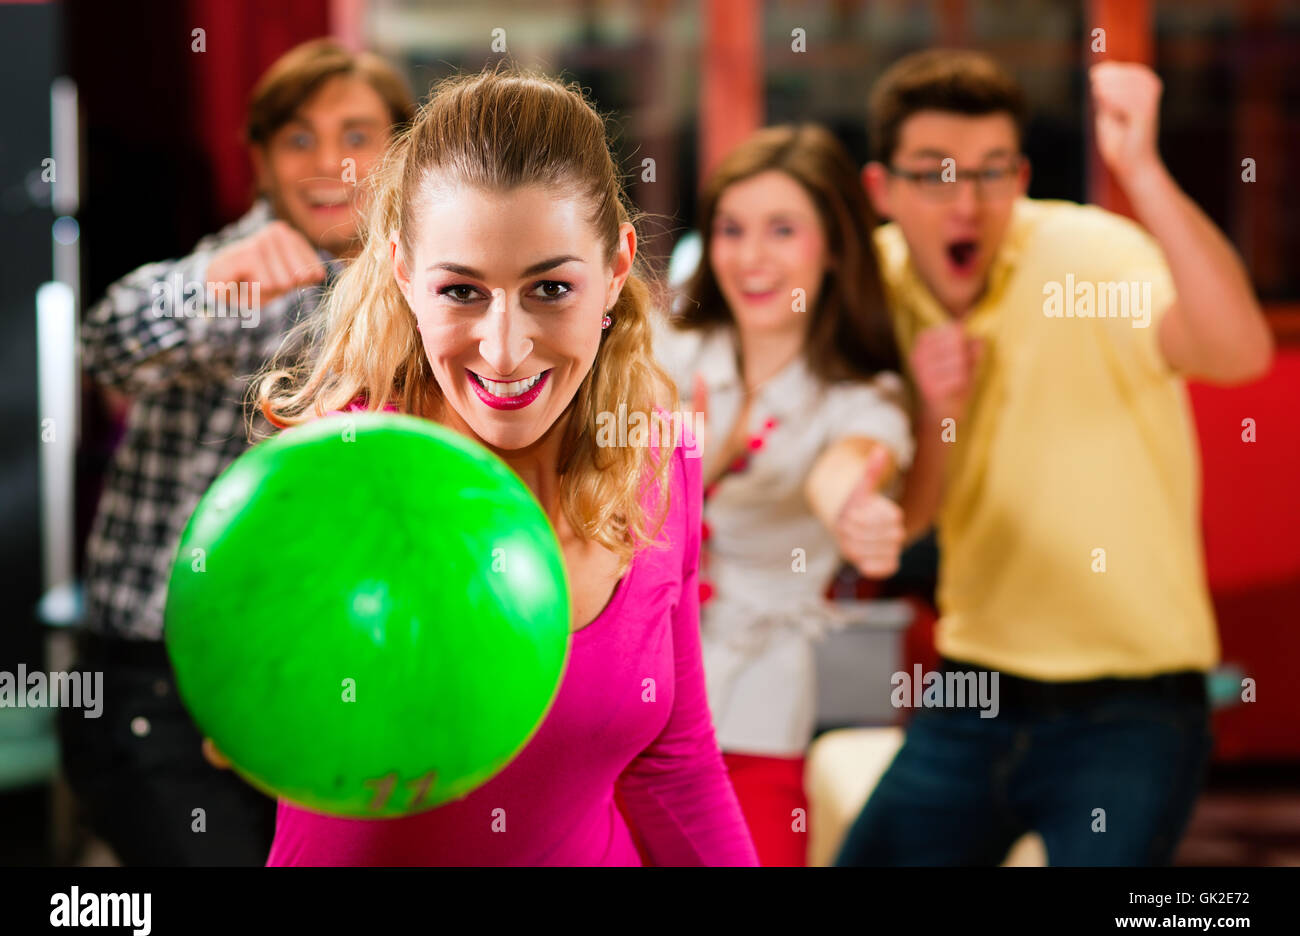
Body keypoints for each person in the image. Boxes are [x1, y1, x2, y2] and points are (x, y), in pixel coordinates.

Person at [233, 66, 759, 866]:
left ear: (618, 266)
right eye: (462, 292)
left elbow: (675, 764)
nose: (506, 349)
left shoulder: (660, 455)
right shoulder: (345, 483)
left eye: (550, 286)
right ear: (405, 272)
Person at [836, 49, 1273, 866]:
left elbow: (1238, 350)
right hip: (973, 688)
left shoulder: (1090, 258)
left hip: (1135, 706)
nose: (966, 204)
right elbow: (909, 510)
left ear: (1023, 177)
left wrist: (1140, 169)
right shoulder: (875, 283)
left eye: (992, 173)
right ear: (882, 190)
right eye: (934, 175)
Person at [63, 38, 414, 866]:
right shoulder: (237, 270)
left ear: (401, 152)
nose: (329, 162)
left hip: (320, 685)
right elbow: (107, 342)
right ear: (259, 160)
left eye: (357, 135)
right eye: (297, 138)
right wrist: (217, 279)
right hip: (159, 686)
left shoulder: (419, 294)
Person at [653, 125, 914, 866]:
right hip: (635, 695)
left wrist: (858, 513)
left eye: (782, 230)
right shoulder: (664, 353)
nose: (750, 257)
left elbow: (849, 468)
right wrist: (699, 457)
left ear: (833, 246)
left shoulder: (861, 395)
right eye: (732, 229)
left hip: (757, 710)